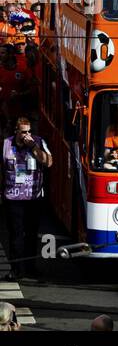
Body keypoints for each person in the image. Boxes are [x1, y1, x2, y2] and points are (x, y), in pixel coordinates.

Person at [1, 115, 50, 278]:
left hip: (33, 198)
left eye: (29, 131)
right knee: (15, 235)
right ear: (16, 131)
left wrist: (34, 147)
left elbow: (48, 162)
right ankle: (16, 269)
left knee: (31, 234)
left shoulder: (38, 142)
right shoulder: (6, 144)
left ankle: (31, 267)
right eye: (23, 132)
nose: (27, 135)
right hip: (13, 198)